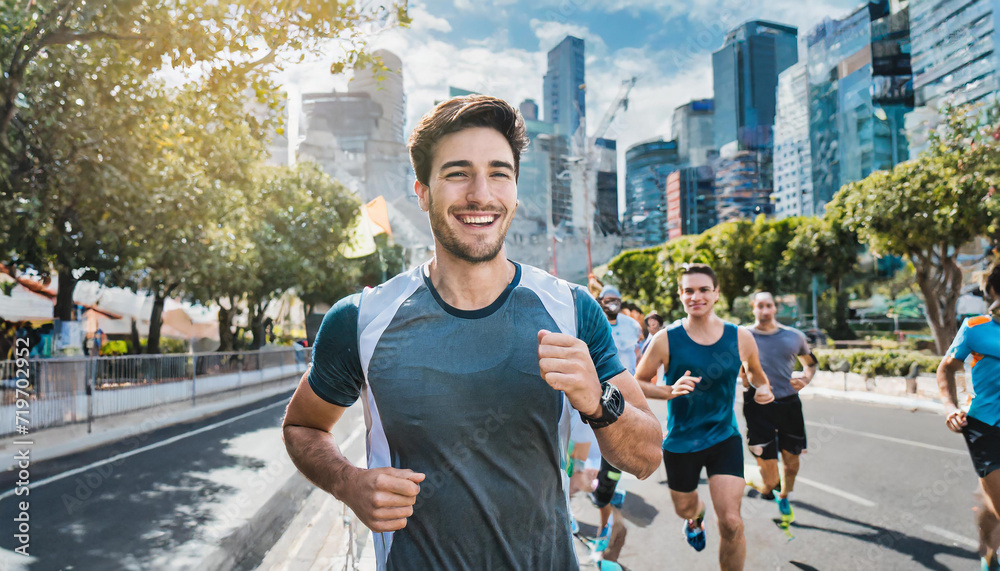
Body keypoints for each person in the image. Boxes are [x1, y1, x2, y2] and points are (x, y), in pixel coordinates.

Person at [281, 95, 662, 570]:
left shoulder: (572, 310)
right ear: (422, 192)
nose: (481, 193)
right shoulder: (361, 318)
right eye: (458, 172)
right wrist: (347, 482)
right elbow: (303, 426)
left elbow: (646, 457)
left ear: (516, 190)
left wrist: (597, 401)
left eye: (499, 172)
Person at [635, 263, 774, 571]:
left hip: (724, 437)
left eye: (703, 289)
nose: (696, 296)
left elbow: (757, 376)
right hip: (681, 441)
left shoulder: (741, 337)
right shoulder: (666, 339)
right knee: (685, 507)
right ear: (680, 295)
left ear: (716, 293)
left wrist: (763, 389)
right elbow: (638, 381)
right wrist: (670, 390)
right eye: (688, 290)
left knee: (732, 522)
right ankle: (695, 519)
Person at [937, 261, 1000, 571]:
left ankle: (989, 552)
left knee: (994, 502)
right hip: (984, 425)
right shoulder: (976, 327)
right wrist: (951, 407)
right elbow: (948, 368)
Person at [740, 292, 817, 526]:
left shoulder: (794, 336)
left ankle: (784, 497)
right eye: (760, 306)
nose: (764, 310)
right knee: (770, 480)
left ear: (775, 308)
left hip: (789, 405)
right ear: (753, 308)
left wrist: (806, 379)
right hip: (757, 406)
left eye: (769, 306)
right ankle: (754, 478)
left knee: (792, 463)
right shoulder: (742, 336)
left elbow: (811, 363)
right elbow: (730, 368)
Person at [583, 285, 645, 559]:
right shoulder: (591, 320)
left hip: (628, 398)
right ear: (600, 301)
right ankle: (602, 511)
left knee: (620, 458)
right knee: (596, 462)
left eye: (616, 300)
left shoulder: (632, 325)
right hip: (598, 399)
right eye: (607, 300)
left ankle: (609, 503)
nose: (612, 304)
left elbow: (638, 354)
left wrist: (641, 386)